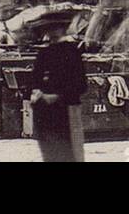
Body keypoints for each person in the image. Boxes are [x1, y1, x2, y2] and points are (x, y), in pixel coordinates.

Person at [29, 19, 88, 162]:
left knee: (71, 152)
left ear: (63, 29)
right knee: (50, 153)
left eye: (55, 28)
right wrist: (36, 92)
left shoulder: (72, 52)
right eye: (49, 29)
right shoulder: (44, 53)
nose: (51, 32)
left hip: (67, 109)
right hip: (46, 112)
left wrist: (57, 96)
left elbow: (80, 84)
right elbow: (34, 80)